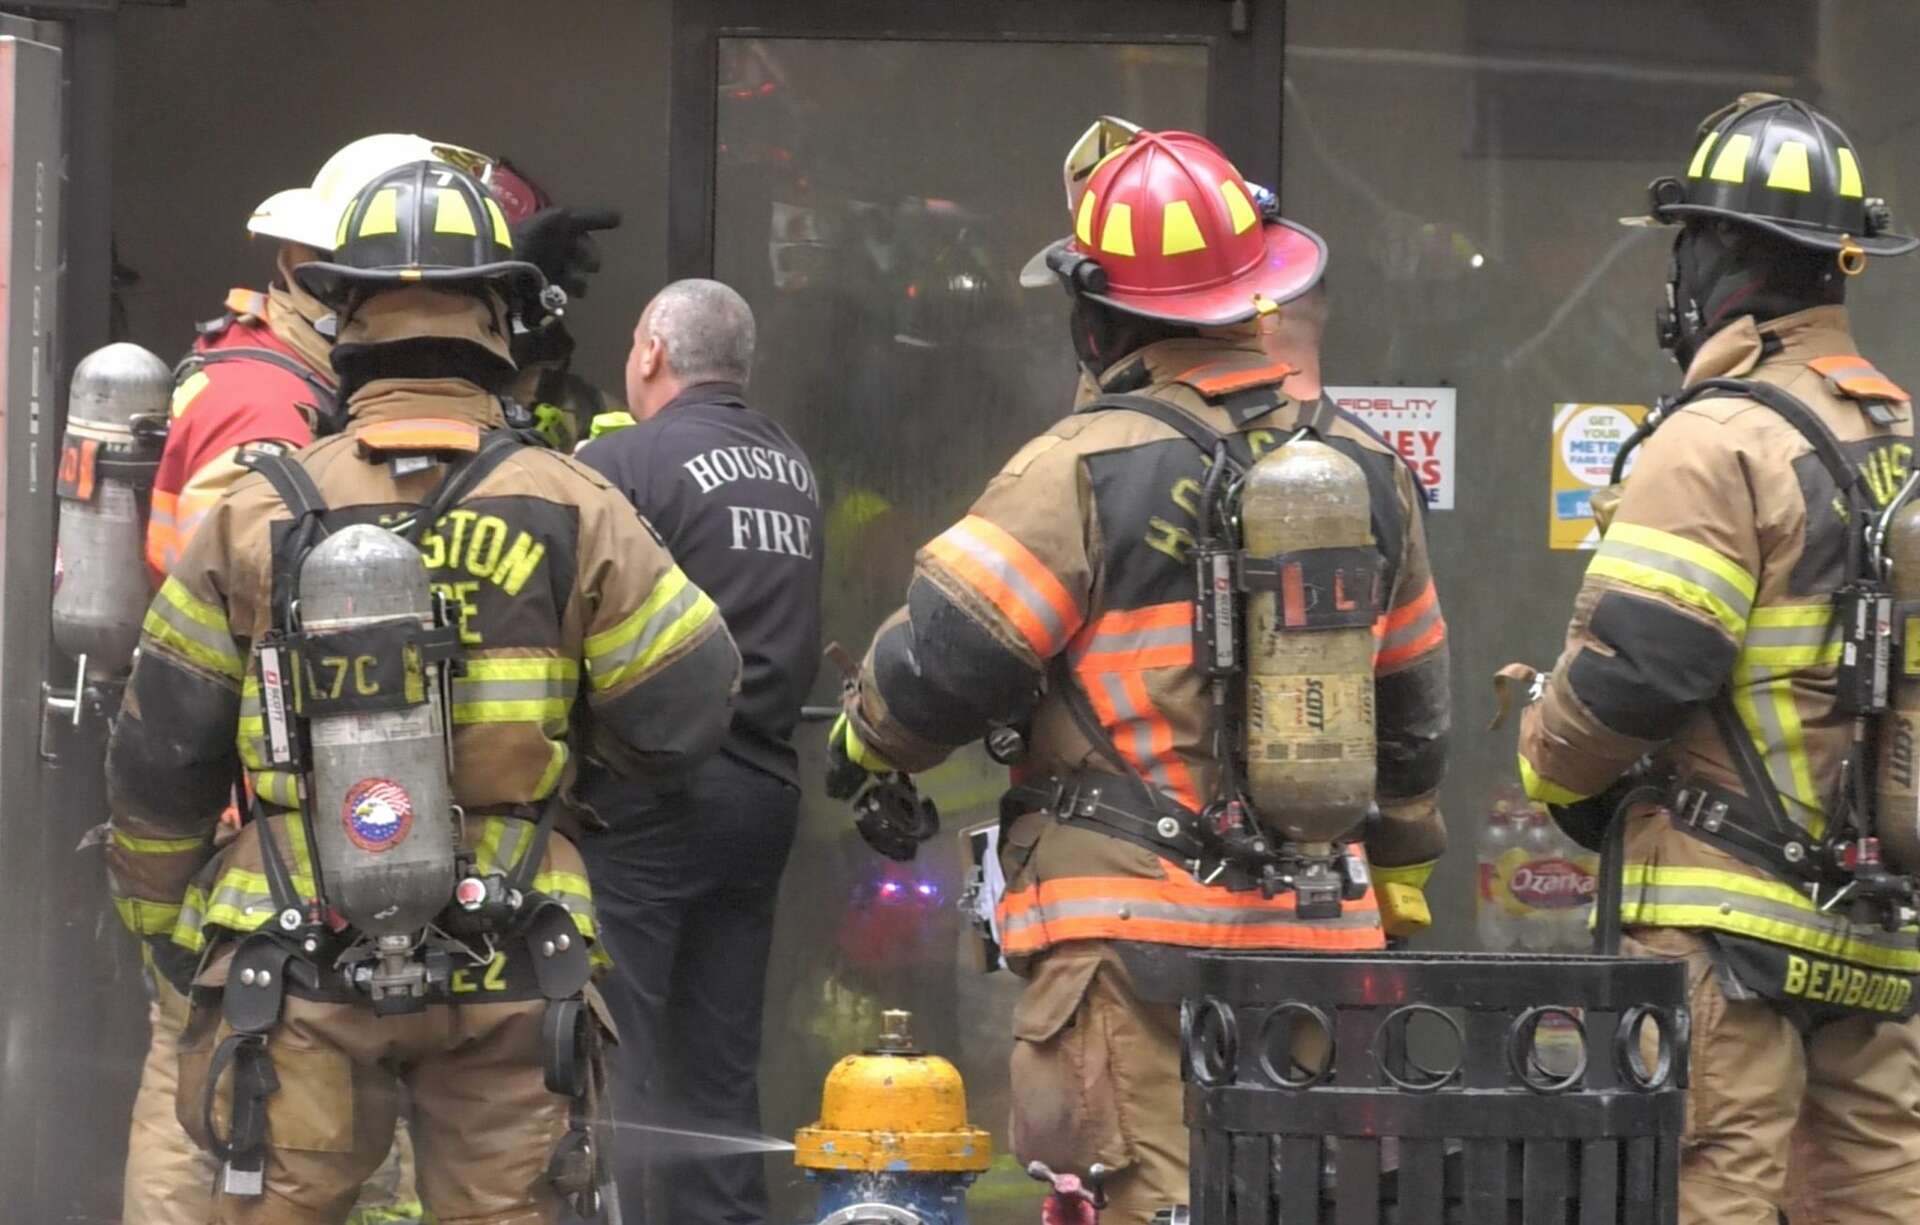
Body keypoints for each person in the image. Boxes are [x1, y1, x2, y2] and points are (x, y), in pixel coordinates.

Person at [827, 121, 1450, 1222]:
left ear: (1097, 312)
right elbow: (1412, 714)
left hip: (1129, 940)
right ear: (1254, 294)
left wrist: (863, 738)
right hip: (1317, 929)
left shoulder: (1079, 466)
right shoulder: (1361, 468)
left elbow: (944, 659)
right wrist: (1389, 869)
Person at [104, 161, 739, 1224]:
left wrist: (162, 919)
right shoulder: (575, 503)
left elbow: (161, 748)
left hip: (291, 963)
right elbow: (686, 711)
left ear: (348, 315)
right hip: (510, 961)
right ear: (498, 315)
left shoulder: (254, 514)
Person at [1517, 94, 1920, 1223]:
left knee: (1712, 1185)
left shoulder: (1717, 437)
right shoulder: (1891, 438)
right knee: (1879, 1189)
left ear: (1721, 260)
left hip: (1725, 919)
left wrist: (1548, 758)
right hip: (1871, 921)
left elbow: (1640, 668)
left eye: (1688, 247)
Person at [574, 278, 823, 1225]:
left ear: (650, 354)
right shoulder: (792, 466)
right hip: (763, 796)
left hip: (649, 800)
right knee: (718, 1071)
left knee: (612, 1056)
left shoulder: (622, 460)